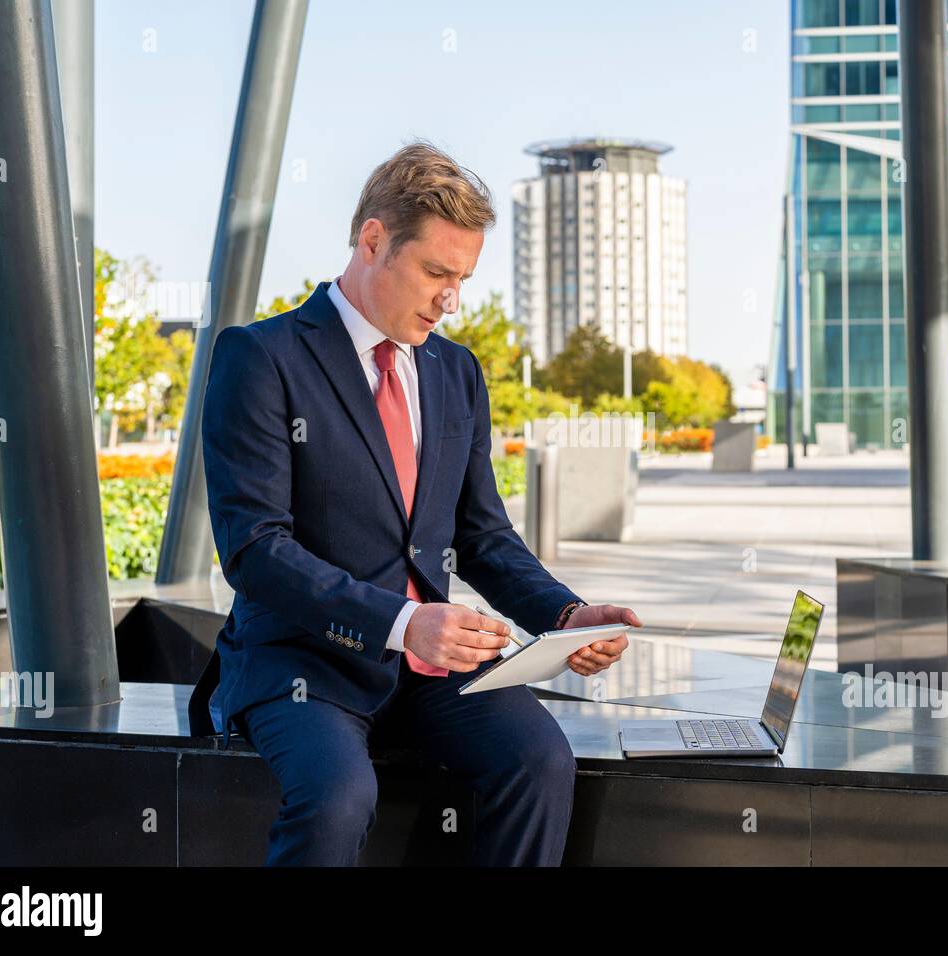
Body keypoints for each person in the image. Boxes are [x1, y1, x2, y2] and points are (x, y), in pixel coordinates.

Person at [193, 140, 641, 866]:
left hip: (432, 672)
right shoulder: (261, 358)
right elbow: (255, 550)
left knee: (541, 761)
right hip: (304, 662)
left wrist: (564, 616)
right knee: (338, 797)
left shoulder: (455, 370)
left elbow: (483, 535)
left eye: (461, 278)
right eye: (436, 271)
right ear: (373, 240)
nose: (449, 297)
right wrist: (403, 623)